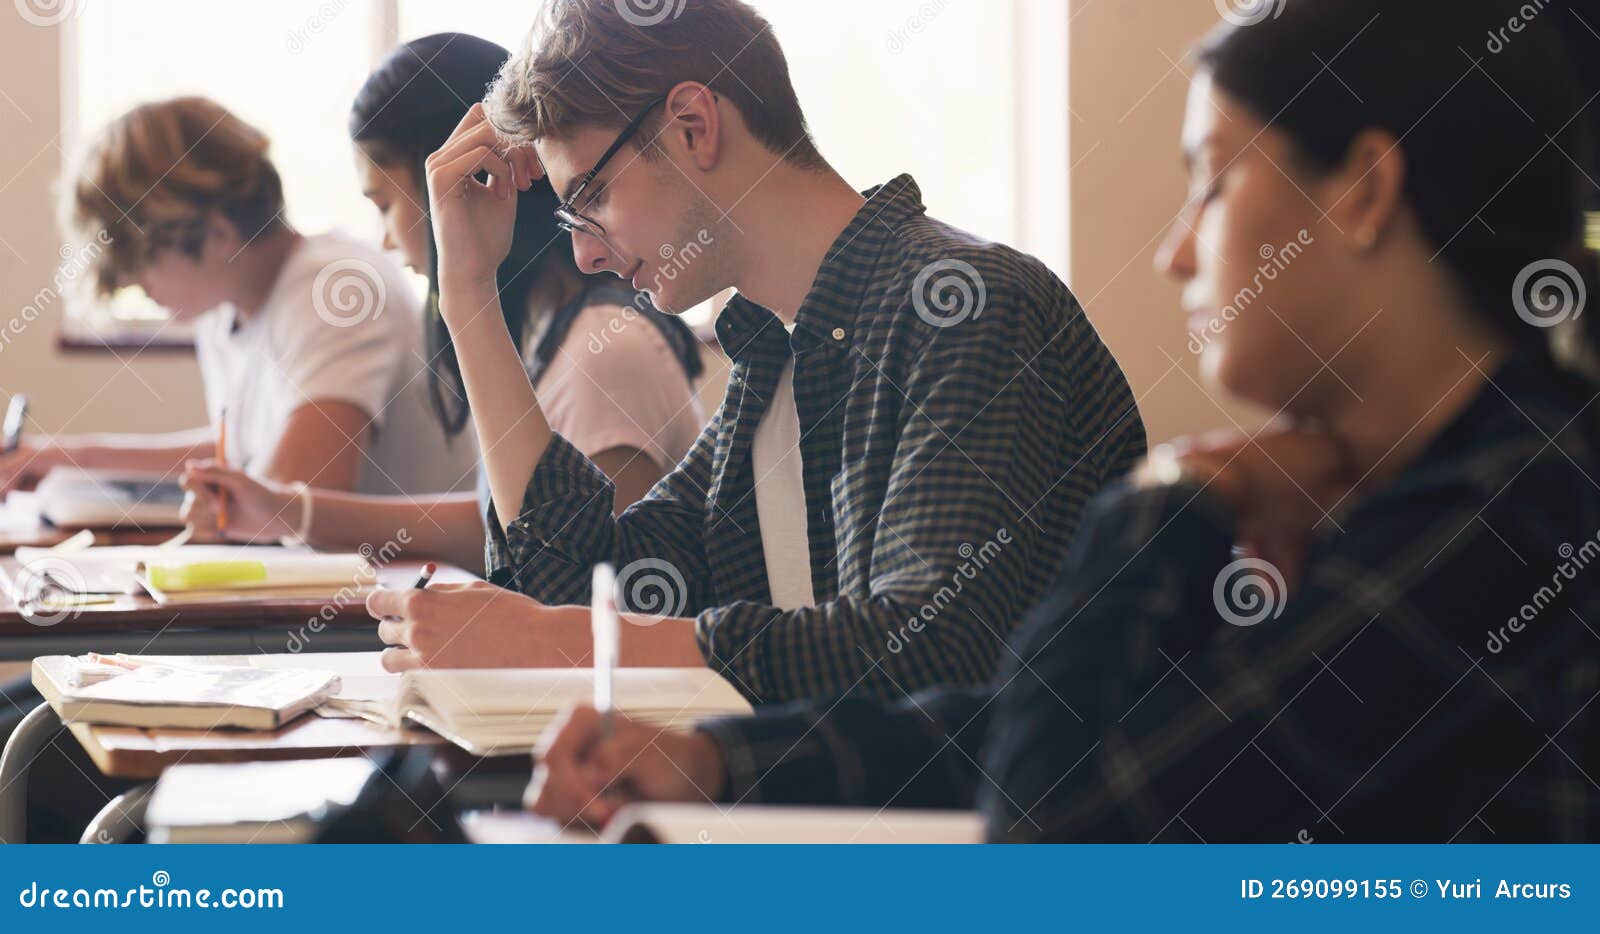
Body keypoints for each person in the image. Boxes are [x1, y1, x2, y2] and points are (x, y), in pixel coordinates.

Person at [524, 0, 1600, 842]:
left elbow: (1058, 823)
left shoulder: (1509, 519)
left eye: (1211, 184)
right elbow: (1058, 731)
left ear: (1363, 190)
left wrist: (1172, 494)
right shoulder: (1389, 490)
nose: (1177, 251)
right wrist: (716, 764)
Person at [365, 0, 1146, 697]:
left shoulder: (966, 309)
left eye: (590, 199)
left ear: (693, 127)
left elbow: (930, 648)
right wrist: (467, 288)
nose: (586, 258)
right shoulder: (775, 355)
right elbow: (599, 584)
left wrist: (560, 642)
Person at [178, 34, 707, 570]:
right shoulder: (551, 335)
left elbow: (577, 582)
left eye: (384, 204)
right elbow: (508, 525)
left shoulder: (603, 352)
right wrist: (290, 511)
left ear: (471, 181)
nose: (384, 240)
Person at [3, 96, 474, 499]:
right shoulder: (227, 309)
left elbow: (292, 499)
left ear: (217, 233)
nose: (131, 283)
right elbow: (245, 455)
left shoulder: (334, 289)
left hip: (420, 587)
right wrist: (62, 458)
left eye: (140, 259)